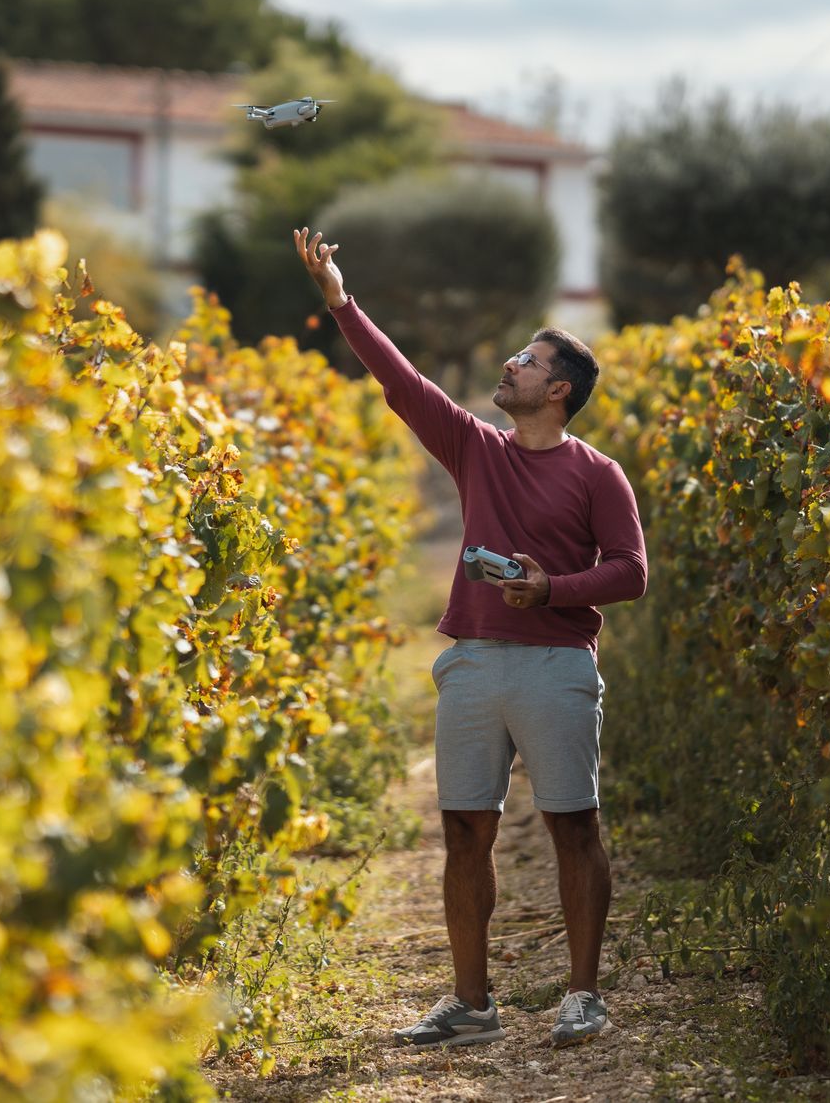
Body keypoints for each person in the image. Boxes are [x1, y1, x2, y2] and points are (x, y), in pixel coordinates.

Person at [290, 226, 648, 1050]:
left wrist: (549, 588)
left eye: (528, 361)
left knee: (574, 825)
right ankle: (473, 1004)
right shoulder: (476, 448)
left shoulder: (597, 473)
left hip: (559, 661)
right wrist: (342, 299)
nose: (511, 365)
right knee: (464, 829)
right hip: (475, 661)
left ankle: (583, 995)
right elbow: (402, 381)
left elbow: (630, 572)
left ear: (559, 390)